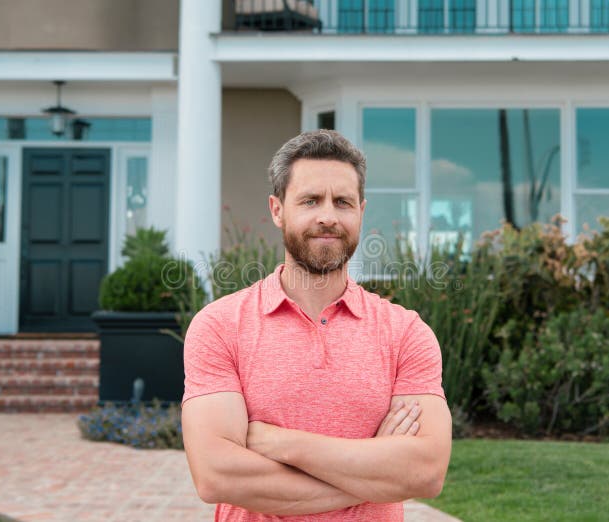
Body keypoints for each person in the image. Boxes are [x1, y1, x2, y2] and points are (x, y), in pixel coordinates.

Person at [181, 130, 452, 521]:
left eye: (342, 202)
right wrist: (373, 473)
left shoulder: (405, 333)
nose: (328, 216)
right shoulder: (220, 326)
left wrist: (279, 443)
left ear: (360, 210)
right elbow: (216, 476)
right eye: (310, 201)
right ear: (277, 210)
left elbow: (425, 472)